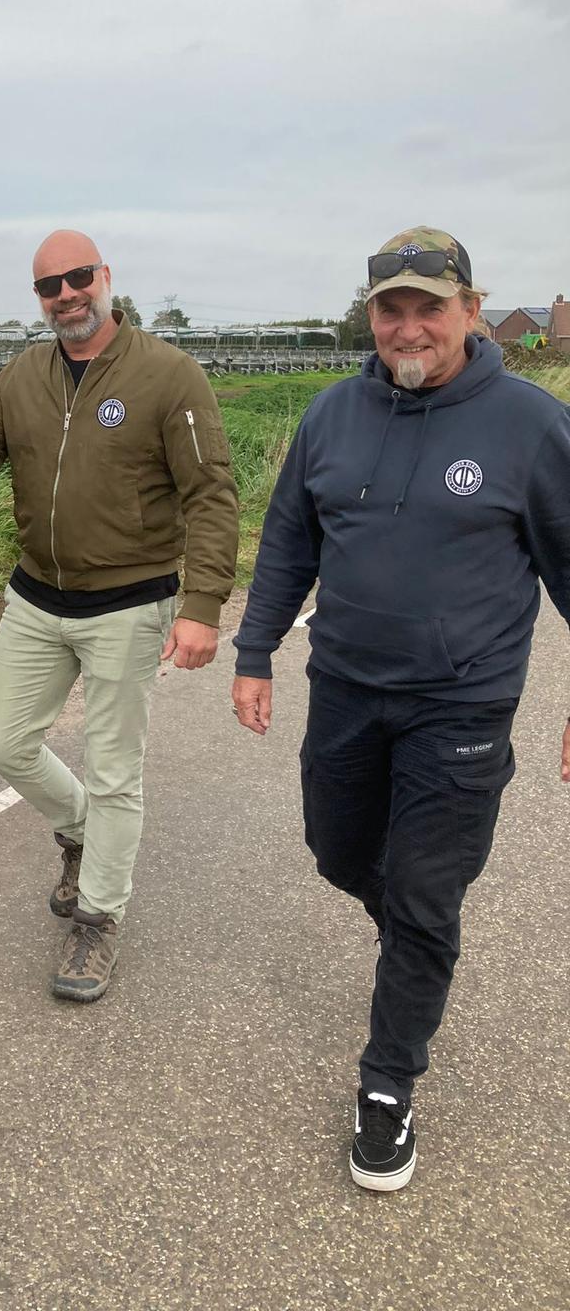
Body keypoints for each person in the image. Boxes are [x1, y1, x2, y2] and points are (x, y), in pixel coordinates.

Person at [231, 227, 570, 1191]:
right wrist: (256, 653)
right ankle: (416, 933)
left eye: (432, 306)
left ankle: (387, 1085)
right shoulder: (332, 414)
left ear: (471, 309)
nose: (410, 327)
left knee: (423, 894)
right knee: (337, 851)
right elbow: (289, 541)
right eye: (392, 308)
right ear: (370, 315)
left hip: (461, 706)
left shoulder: (529, 425)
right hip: (343, 688)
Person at [0, 229, 238, 1002]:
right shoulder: (26, 373)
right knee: (1, 742)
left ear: (105, 278)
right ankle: (82, 830)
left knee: (114, 768)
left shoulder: (169, 375)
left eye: (76, 278)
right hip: (37, 597)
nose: (65, 295)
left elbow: (211, 494)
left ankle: (98, 918)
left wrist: (200, 606)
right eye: (47, 286)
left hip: (129, 604)